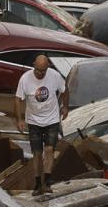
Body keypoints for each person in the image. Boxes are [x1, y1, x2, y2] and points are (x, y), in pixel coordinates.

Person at [14, 55, 68, 193]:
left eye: (43, 71)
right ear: (34, 65)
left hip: (52, 119)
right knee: (37, 153)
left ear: (47, 68)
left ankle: (47, 180)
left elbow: (65, 89)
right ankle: (38, 183)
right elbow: (18, 99)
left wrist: (65, 106)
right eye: (37, 70)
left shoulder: (54, 76)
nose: (40, 73)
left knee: (49, 149)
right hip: (34, 121)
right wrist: (19, 119)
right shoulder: (25, 79)